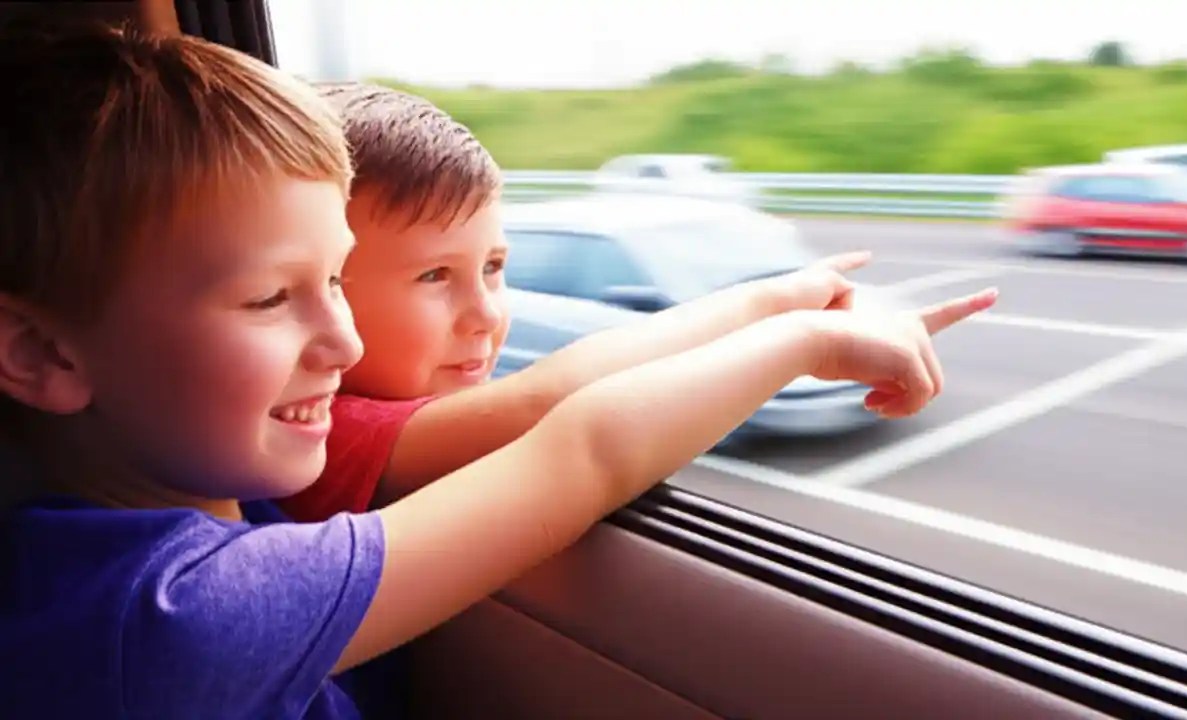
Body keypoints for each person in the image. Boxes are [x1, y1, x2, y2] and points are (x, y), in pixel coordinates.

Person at [0, 23, 995, 719]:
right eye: (270, 298)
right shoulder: (175, 615)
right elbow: (578, 449)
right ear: (43, 353)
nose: (342, 347)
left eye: (339, 282)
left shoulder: (180, 514)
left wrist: (774, 303)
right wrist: (800, 341)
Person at [281, 82, 894, 521]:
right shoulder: (322, 434)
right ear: (323, 287)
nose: (487, 313)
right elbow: (553, 401)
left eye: (494, 267)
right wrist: (780, 310)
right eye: (435, 276)